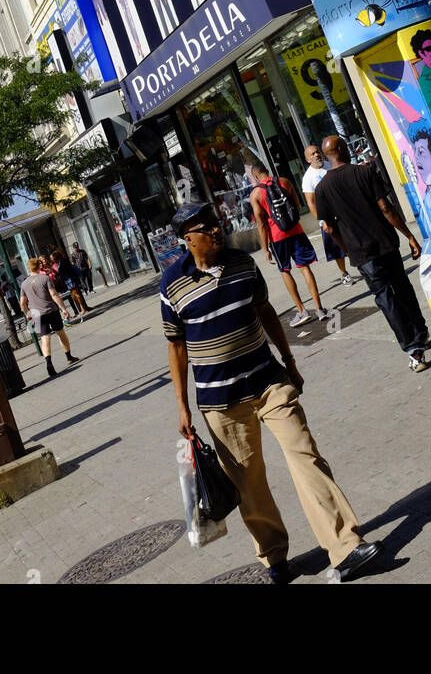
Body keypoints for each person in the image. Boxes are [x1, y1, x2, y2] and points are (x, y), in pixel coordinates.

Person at [162, 202, 383, 584]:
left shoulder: (242, 265)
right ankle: (274, 559)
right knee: (250, 484)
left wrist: (289, 359)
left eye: (217, 223)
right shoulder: (171, 285)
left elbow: (266, 313)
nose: (216, 230)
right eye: (205, 227)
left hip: (269, 382)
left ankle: (345, 547)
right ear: (187, 239)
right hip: (220, 403)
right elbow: (177, 347)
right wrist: (181, 406)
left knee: (306, 455)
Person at [316, 136, 429, 373]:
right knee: (402, 287)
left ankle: (413, 349)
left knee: (385, 298)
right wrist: (409, 235)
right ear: (341, 150)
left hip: (362, 253)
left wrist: (346, 250)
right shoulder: (364, 172)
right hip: (386, 242)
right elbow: (386, 208)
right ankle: (420, 332)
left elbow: (329, 227)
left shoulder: (322, 189)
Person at [249, 161, 330, 327]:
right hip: (296, 231)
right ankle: (319, 309)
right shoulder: (284, 181)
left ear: (256, 176)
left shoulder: (256, 194)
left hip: (277, 237)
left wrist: (265, 249)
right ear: (266, 169)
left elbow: (261, 224)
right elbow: (297, 205)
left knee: (285, 270)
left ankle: (302, 311)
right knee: (305, 268)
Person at [301, 144, 353, 286]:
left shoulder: (331, 165)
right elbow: (311, 202)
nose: (316, 155)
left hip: (344, 211)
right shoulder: (308, 178)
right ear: (307, 160)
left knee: (353, 239)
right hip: (328, 217)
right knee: (337, 248)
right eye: (312, 154)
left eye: (317, 152)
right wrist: (322, 220)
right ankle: (344, 273)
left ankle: (363, 264)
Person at [19, 256, 80, 379]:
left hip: (37, 315)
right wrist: (63, 309)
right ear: (39, 266)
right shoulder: (45, 278)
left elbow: (22, 303)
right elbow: (53, 294)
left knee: (45, 338)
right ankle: (68, 356)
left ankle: (49, 363)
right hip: (51, 310)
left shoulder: (24, 284)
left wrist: (29, 314)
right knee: (61, 333)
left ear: (29, 268)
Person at [50, 248, 90, 320]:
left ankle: (83, 309)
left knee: (77, 295)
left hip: (70, 280)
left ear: (56, 257)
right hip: (68, 280)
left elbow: (64, 271)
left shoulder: (62, 262)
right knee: (74, 295)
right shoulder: (59, 262)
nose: (52, 260)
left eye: (52, 258)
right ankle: (81, 309)